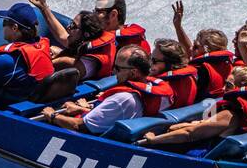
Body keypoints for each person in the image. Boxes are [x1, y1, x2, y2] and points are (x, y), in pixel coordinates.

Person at [41, 46, 171, 135]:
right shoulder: (151, 88)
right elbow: (116, 115)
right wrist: (85, 109)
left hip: (87, 139)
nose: (114, 72)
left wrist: (53, 115)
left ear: (134, 72)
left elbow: (78, 126)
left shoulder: (122, 99)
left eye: (118, 68)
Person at [141, 66, 247, 149]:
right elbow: (204, 125)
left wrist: (153, 140)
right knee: (174, 127)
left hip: (204, 158)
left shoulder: (229, 115)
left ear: (240, 88)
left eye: (228, 85)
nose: (222, 89)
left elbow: (190, 134)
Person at [171, 0, 235, 97]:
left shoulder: (200, 72)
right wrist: (178, 27)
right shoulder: (227, 64)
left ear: (207, 51)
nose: (191, 48)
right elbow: (191, 50)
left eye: (195, 46)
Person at [149, 38, 198, 108]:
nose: (150, 64)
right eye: (150, 58)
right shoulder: (191, 78)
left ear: (171, 64)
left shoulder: (162, 90)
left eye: (154, 61)